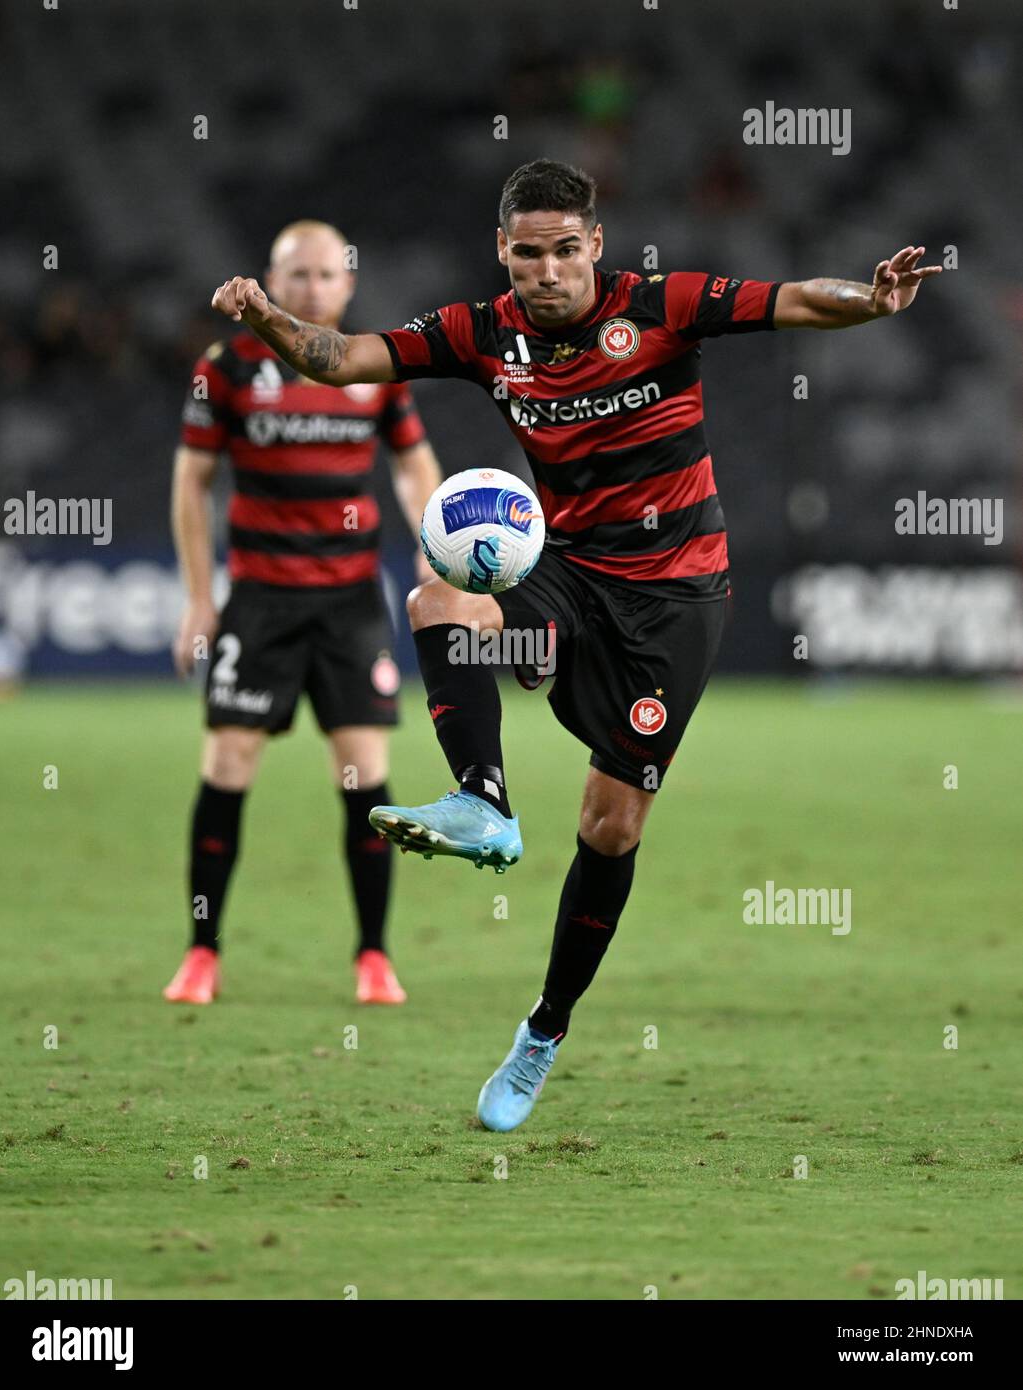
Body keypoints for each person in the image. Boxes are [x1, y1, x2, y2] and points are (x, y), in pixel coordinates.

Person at [208, 160, 941, 1127]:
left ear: (594, 245)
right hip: (571, 571)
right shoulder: (479, 332)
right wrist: (263, 317)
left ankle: (542, 1032)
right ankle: (484, 803)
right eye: (526, 253)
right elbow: (342, 359)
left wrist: (873, 300)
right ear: (502, 252)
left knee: (610, 828)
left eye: (564, 251)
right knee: (439, 603)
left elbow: (799, 300)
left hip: (678, 597)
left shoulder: (665, 305)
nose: (546, 271)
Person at [165, 220, 441, 1007]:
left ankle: (374, 958)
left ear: (347, 285)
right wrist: (197, 599)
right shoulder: (225, 367)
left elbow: (413, 461)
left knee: (364, 775)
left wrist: (432, 540)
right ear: (271, 282)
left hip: (351, 602)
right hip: (258, 602)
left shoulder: (372, 368)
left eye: (326, 276)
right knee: (226, 767)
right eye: (297, 276)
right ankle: (201, 953)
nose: (312, 289)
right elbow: (191, 482)